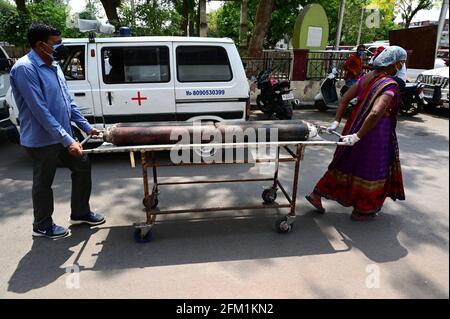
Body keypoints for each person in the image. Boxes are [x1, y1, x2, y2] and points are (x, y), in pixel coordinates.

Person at [10, 23, 105, 239]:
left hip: (63, 134)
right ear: (40, 45)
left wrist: (86, 127)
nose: (59, 48)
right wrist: (67, 140)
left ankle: (80, 212)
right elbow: (39, 110)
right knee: (44, 182)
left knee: (82, 166)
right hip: (42, 138)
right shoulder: (25, 69)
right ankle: (42, 225)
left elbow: (67, 102)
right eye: (56, 44)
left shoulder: (53, 65)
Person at [305, 46, 407, 221]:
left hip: (354, 127)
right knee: (372, 169)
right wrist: (359, 136)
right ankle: (362, 208)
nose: (402, 66)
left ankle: (316, 195)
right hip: (375, 133)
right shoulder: (390, 85)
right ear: (394, 63)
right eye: (401, 63)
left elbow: (344, 99)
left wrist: (337, 123)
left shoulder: (367, 77)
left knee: (345, 162)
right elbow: (375, 113)